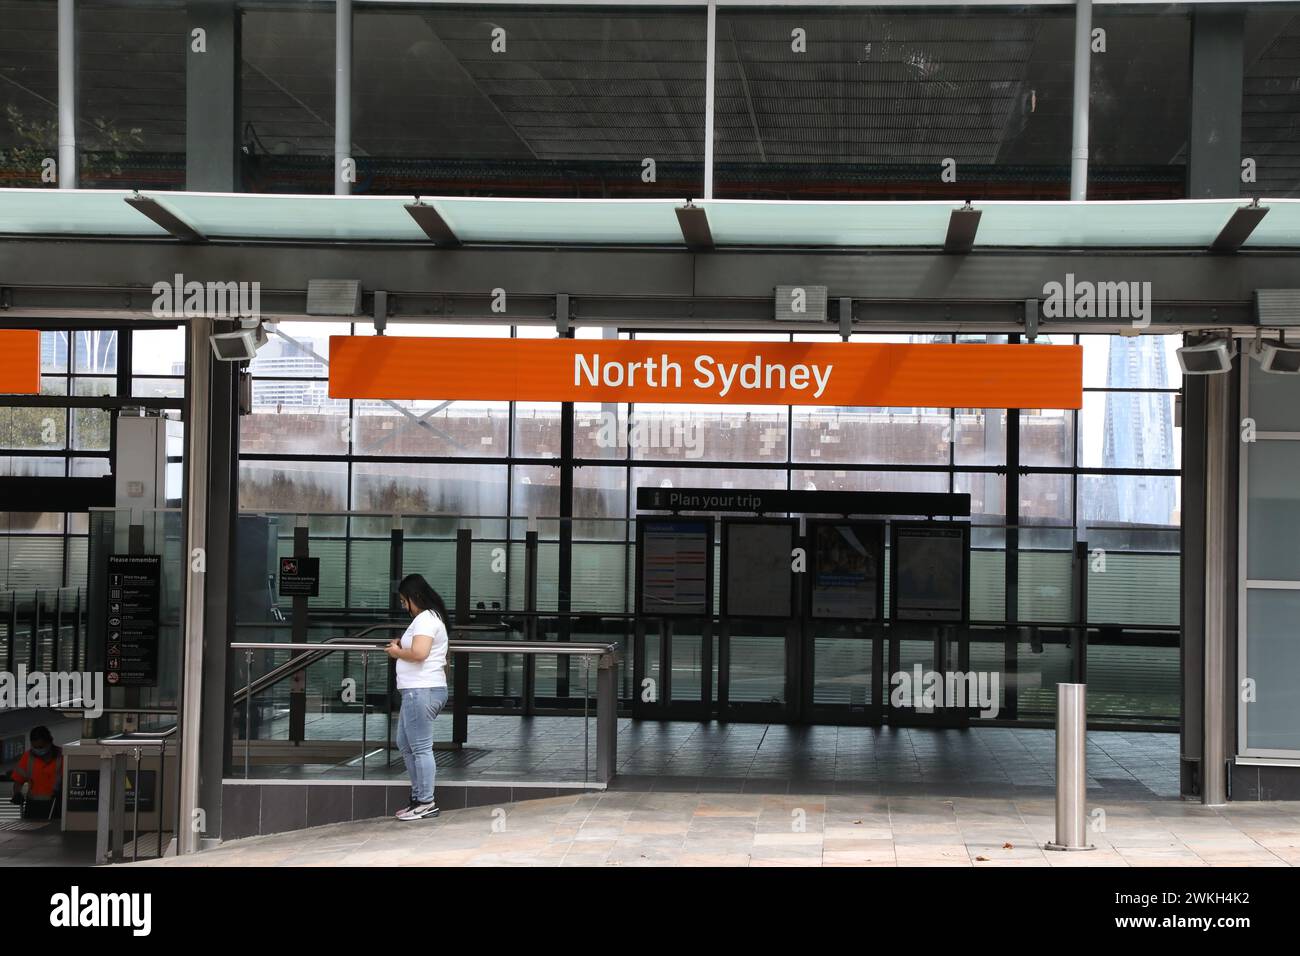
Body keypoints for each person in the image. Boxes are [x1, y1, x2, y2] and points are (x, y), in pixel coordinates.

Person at [386, 574, 450, 822]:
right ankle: (419, 798)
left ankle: (426, 802)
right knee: (405, 743)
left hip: (421, 691)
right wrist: (402, 645)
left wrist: (396, 652)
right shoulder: (429, 618)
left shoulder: (425, 619)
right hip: (418, 691)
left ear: (415, 597)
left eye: (404, 601)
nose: (404, 606)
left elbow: (420, 653)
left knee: (421, 748)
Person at [10, 726, 63, 820]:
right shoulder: (28, 757)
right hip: (33, 806)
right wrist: (17, 793)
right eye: (35, 747)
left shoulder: (62, 756)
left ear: (49, 742)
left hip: (56, 805)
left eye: (41, 747)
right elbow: (18, 781)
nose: (38, 750)